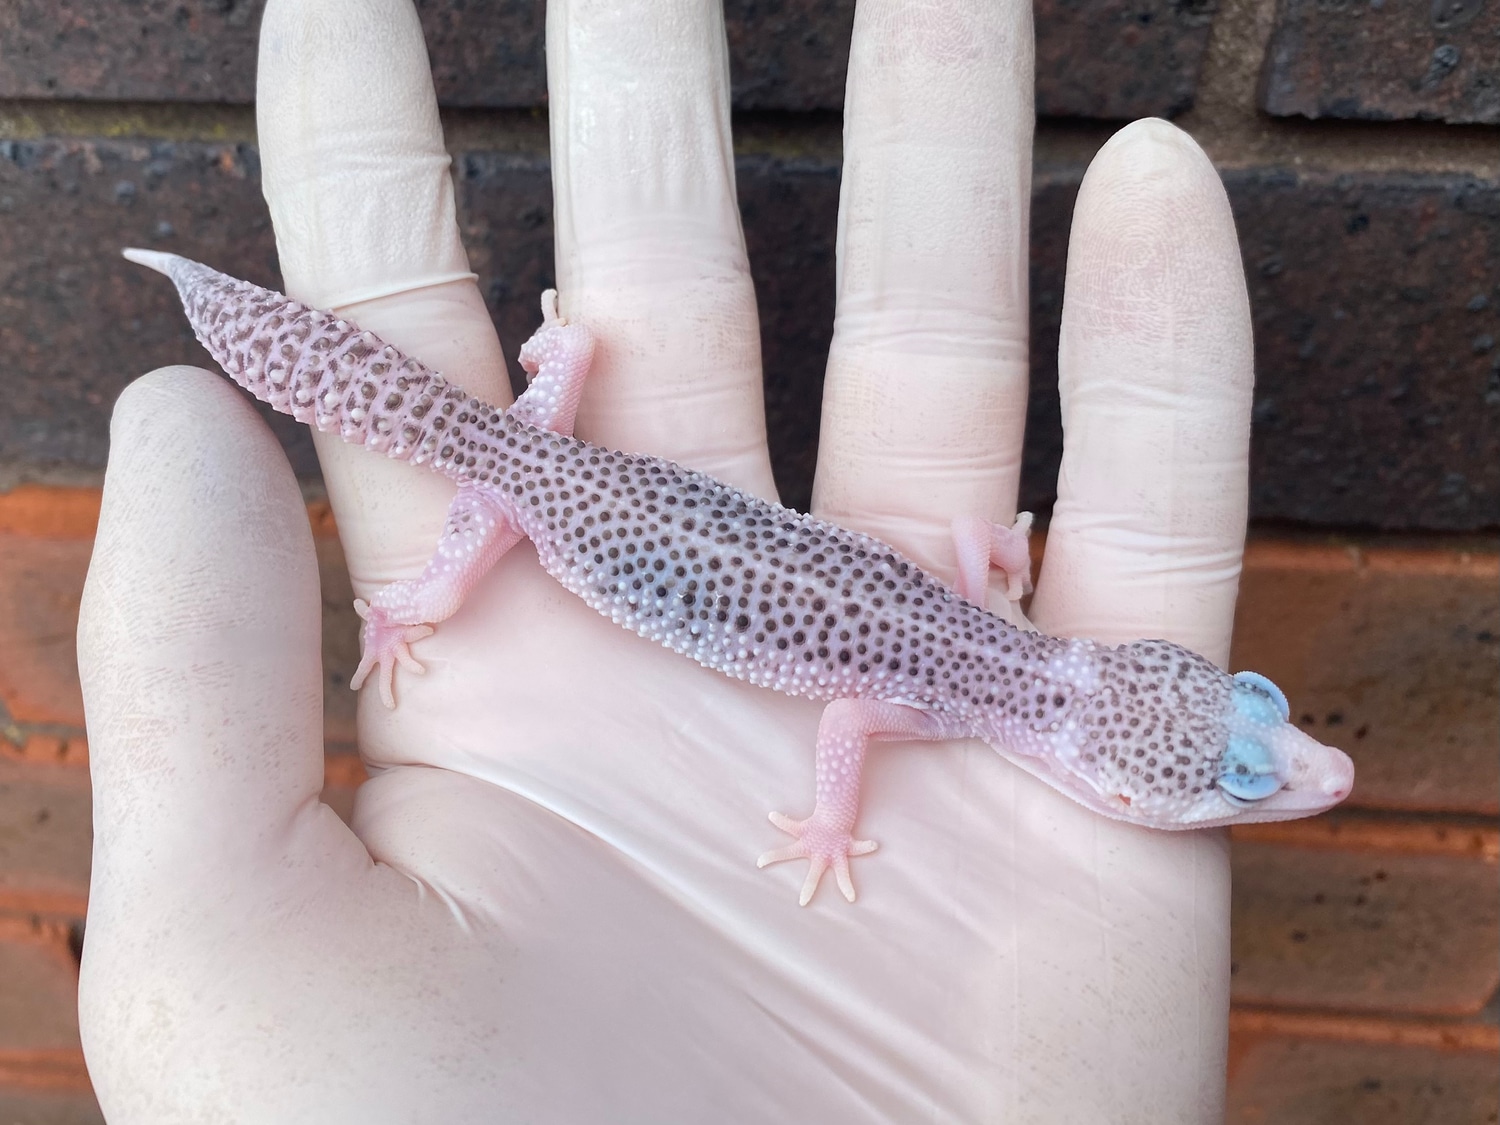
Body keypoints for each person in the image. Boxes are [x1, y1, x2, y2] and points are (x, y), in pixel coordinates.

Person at [76, 0, 1255, 1119]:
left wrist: (991, 544)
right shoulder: (957, 695)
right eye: (1242, 761)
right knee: (446, 551)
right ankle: (390, 543)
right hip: (535, 490)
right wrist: (829, 829)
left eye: (1237, 772)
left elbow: (949, 573)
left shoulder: (994, 633)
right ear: (1107, 767)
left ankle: (540, 360)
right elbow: (846, 724)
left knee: (500, 425)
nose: (1314, 776)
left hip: (555, 451)